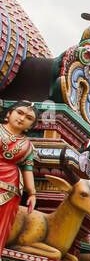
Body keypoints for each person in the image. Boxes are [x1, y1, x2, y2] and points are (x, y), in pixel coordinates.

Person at [0, 101, 38, 252]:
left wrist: (32, 193)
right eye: (19, 112)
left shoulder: (27, 146)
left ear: (30, 126)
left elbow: (28, 168)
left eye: (29, 118)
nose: (22, 118)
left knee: (2, 220)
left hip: (10, 184)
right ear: (9, 113)